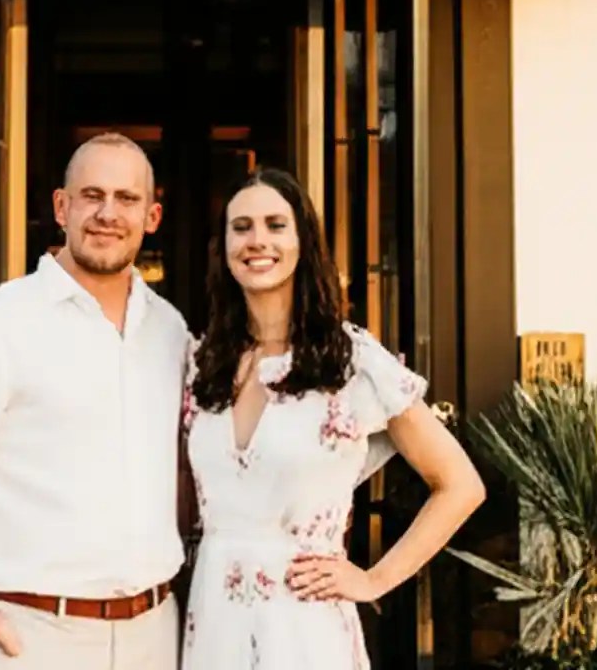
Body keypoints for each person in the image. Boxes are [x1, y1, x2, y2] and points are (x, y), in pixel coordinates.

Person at [177, 167, 485, 669]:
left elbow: (459, 484)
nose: (258, 240)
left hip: (306, 629)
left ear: (303, 241)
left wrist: (374, 579)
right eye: (242, 227)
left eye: (276, 225)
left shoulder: (351, 361)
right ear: (225, 246)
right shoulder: (202, 361)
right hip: (215, 624)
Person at [0, 132, 187, 670]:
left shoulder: (171, 332)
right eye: (92, 195)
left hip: (156, 636)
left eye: (126, 199)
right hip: (31, 639)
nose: (108, 213)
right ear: (62, 206)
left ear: (152, 217)